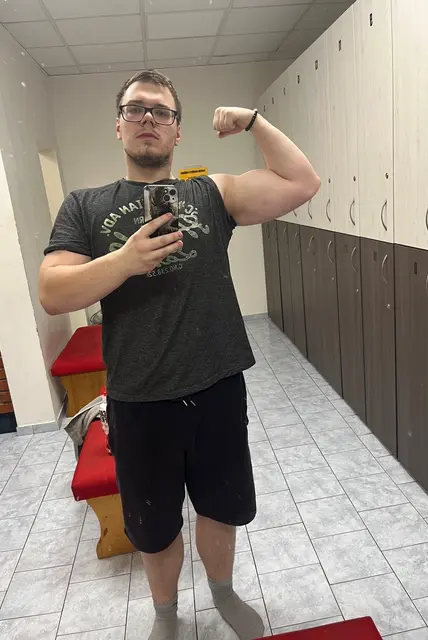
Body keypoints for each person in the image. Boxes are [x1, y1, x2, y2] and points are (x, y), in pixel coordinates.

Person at [39, 69, 320, 640]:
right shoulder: (85, 206)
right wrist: (124, 262)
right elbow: (52, 291)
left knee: (220, 508)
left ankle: (222, 592)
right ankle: (166, 613)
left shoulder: (212, 194)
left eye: (161, 111)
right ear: (119, 125)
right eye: (135, 109)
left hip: (216, 388)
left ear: (176, 130)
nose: (148, 118)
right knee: (153, 525)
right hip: (139, 399)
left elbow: (301, 182)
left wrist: (255, 123)